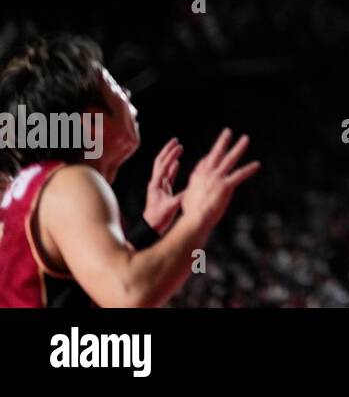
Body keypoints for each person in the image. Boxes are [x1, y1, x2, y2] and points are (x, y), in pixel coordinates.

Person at [0, 34, 259, 307]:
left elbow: (75, 297)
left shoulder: (35, 190)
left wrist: (148, 228)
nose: (128, 92)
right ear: (90, 121)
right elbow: (128, 294)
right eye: (113, 85)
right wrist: (197, 217)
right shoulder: (68, 183)